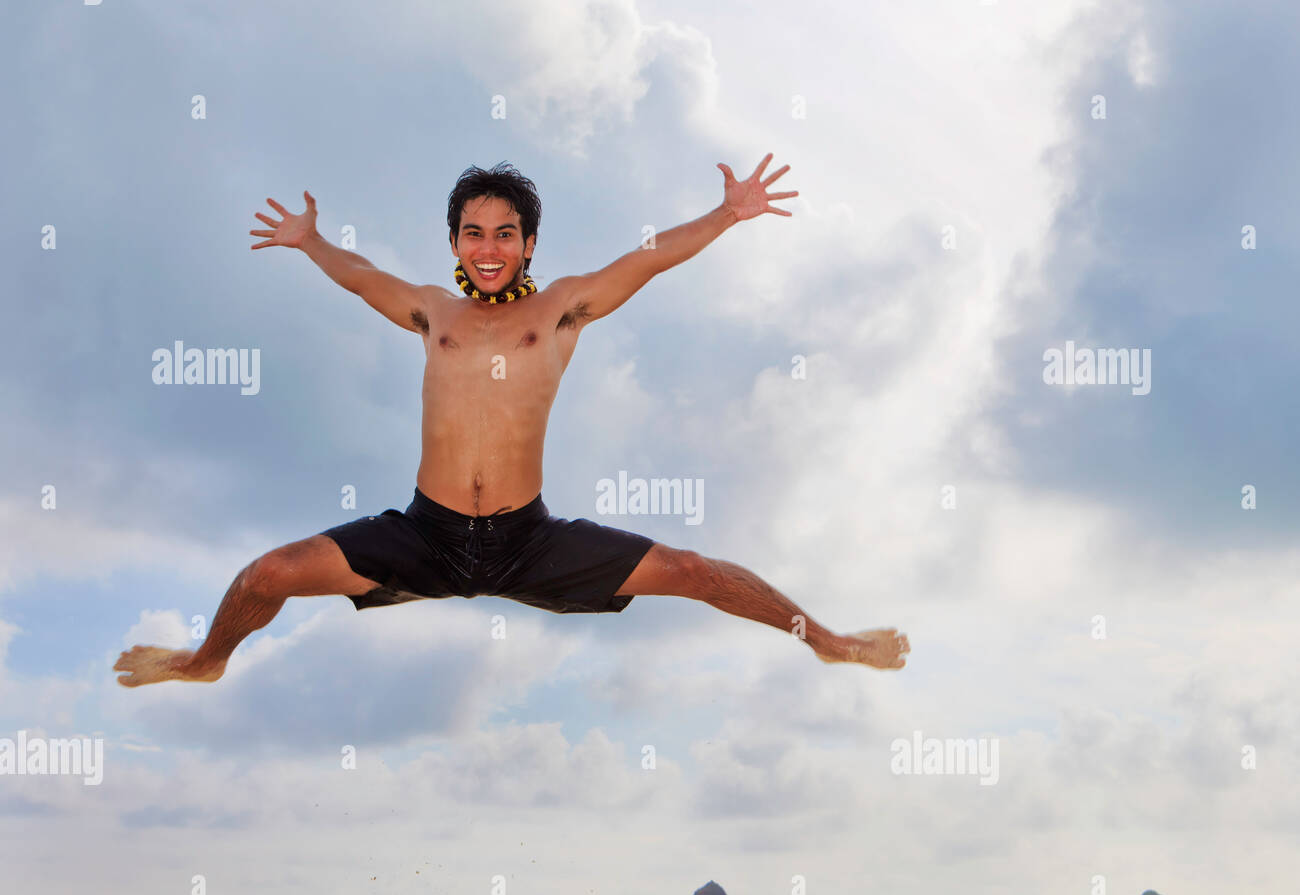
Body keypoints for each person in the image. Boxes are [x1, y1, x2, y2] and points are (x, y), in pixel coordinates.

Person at [114, 155, 908, 686]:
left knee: (697, 573)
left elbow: (649, 257)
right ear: (455, 244)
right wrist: (313, 239)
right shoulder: (435, 311)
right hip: (425, 534)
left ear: (528, 244)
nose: (488, 247)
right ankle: (203, 663)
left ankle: (830, 643)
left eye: (504, 234)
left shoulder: (561, 308)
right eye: (473, 233)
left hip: (529, 539)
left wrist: (726, 214)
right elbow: (361, 279)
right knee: (266, 576)